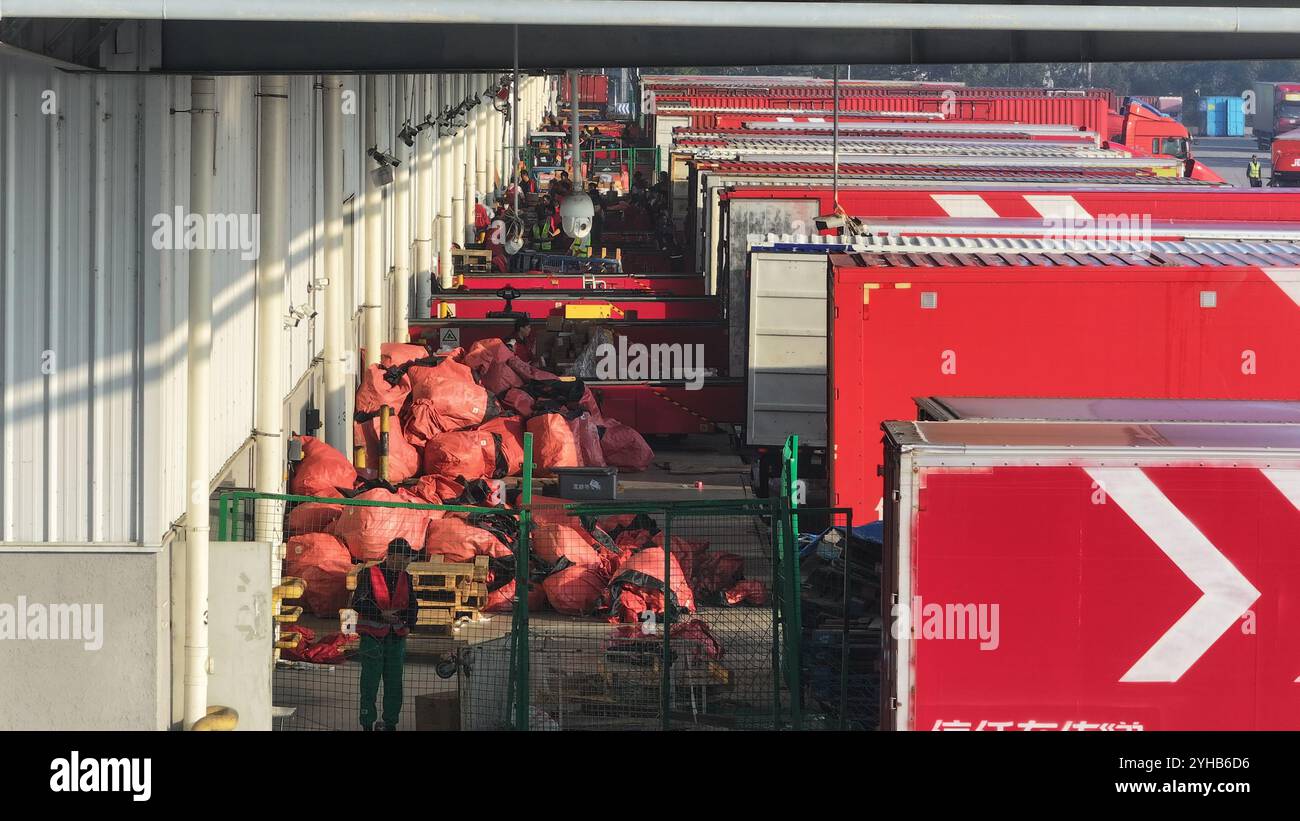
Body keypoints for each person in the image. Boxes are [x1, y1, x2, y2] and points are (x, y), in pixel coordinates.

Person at [354, 537, 419, 731]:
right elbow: (358, 602)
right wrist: (381, 615)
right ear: (393, 556)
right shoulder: (369, 574)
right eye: (405, 558)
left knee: (394, 683)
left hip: (396, 637)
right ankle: (367, 722)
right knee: (370, 683)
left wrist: (409, 624)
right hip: (372, 638)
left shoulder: (405, 577)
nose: (407, 562)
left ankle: (390, 723)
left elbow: (413, 605)